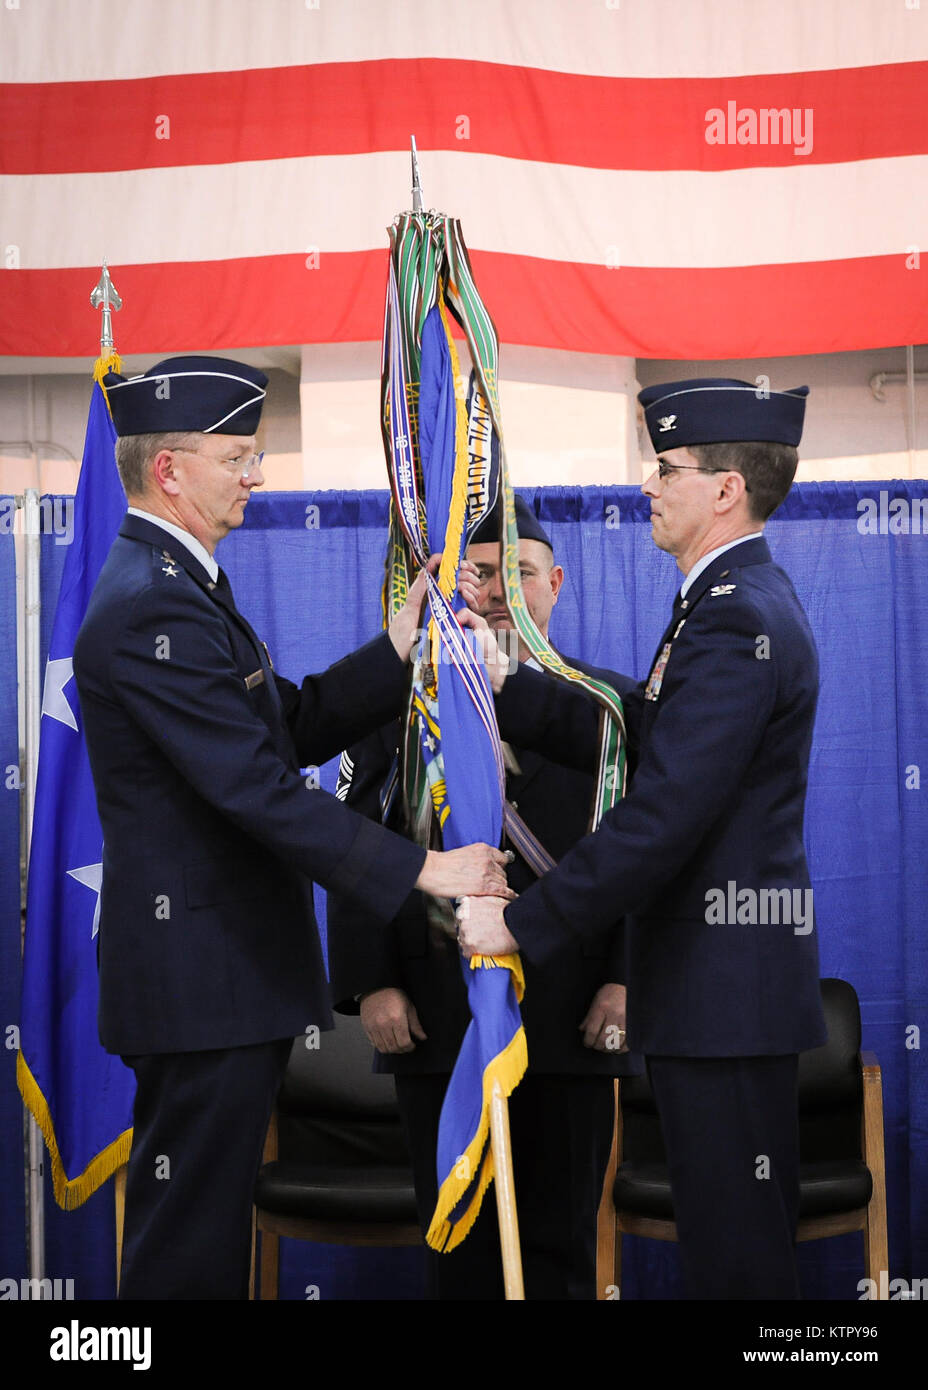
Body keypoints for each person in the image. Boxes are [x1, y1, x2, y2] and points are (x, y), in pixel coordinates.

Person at [72, 355, 509, 1299]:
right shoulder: (152, 603)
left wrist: (399, 642)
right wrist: (424, 872)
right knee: (187, 1242)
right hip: (201, 978)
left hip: (221, 977)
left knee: (203, 1231)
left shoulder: (180, 586)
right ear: (171, 470)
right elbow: (259, 790)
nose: (258, 476)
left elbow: (289, 724)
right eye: (240, 456)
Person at [458, 379, 827, 1300]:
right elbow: (636, 734)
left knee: (739, 1260)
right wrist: (501, 678)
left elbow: (662, 812)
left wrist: (523, 922)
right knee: (730, 1246)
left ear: (726, 490)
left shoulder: (738, 615)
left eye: (667, 468)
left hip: (726, 986)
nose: (649, 485)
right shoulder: (722, 602)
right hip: (719, 986)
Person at [327, 496, 639, 1300]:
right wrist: (373, 980)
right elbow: (357, 836)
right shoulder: (402, 703)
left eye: (519, 572)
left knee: (560, 1237)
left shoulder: (608, 710)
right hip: (437, 1006)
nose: (499, 591)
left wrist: (625, 976)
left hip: (571, 1012)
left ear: (557, 583)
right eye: (484, 573)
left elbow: (646, 850)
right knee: (458, 1234)